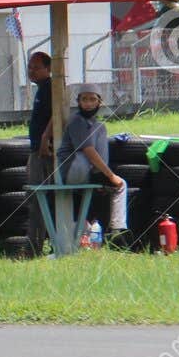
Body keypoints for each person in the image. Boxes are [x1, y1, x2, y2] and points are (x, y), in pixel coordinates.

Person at [57, 85, 126, 243]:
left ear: (99, 103)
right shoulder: (77, 121)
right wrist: (110, 175)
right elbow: (88, 151)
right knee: (85, 155)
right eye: (84, 100)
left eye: (92, 99)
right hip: (71, 171)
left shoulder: (96, 125)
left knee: (121, 184)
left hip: (86, 172)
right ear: (79, 102)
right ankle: (100, 177)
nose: (88, 104)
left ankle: (117, 230)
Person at [24, 51, 53, 252]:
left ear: (48, 69)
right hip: (35, 150)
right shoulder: (41, 90)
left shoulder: (52, 88)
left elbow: (57, 113)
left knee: (39, 197)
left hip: (45, 152)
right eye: (30, 67)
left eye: (36, 67)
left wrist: (45, 138)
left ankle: (34, 247)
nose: (31, 71)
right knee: (34, 197)